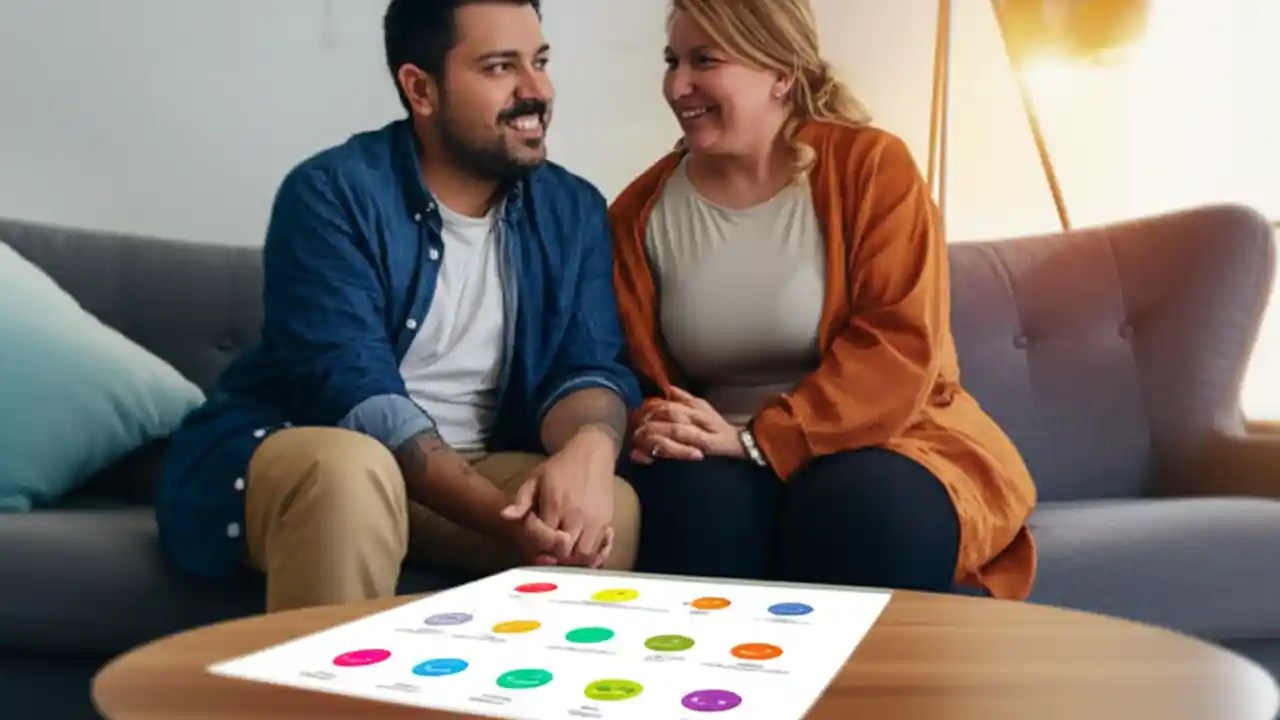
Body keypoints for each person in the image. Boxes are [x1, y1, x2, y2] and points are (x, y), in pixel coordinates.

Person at [157, 0, 643, 613]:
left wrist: (589, 454)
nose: (536, 90)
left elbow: (586, 365)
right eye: (499, 68)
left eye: (540, 62)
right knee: (353, 474)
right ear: (421, 88)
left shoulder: (571, 209)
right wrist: (502, 519)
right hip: (315, 451)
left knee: (609, 510)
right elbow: (356, 396)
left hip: (472, 464)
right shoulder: (332, 194)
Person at [608, 0, 1038, 599]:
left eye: (704, 60)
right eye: (672, 60)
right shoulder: (638, 213)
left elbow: (898, 345)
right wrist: (659, 422)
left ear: (780, 71)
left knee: (864, 513)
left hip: (890, 436)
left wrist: (761, 441)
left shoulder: (871, 168)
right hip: (715, 449)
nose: (678, 85)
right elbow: (625, 369)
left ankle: (871, 695)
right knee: (694, 514)